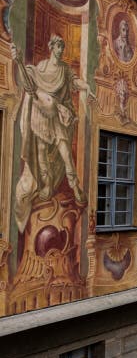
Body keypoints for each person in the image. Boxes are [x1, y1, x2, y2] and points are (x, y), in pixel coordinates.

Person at [12, 35, 95, 229]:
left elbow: (75, 82)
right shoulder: (40, 67)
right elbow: (29, 85)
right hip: (41, 114)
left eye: (62, 47)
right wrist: (17, 61)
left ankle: (76, 188)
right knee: (40, 151)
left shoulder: (65, 70)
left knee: (66, 154)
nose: (61, 50)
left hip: (56, 116)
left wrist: (88, 87)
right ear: (51, 47)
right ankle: (47, 185)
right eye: (58, 46)